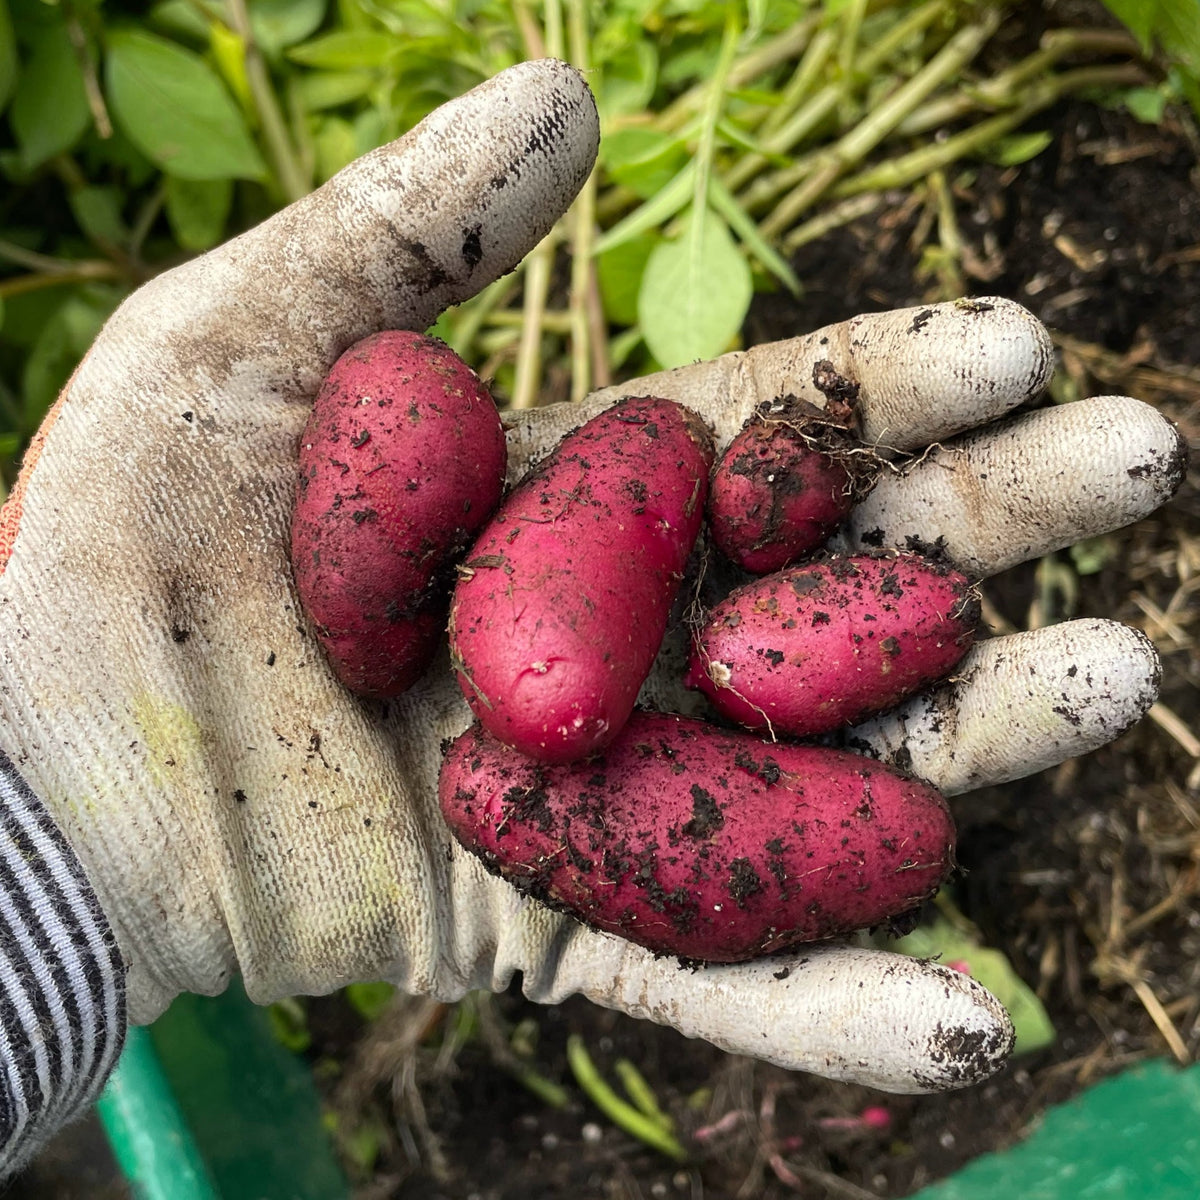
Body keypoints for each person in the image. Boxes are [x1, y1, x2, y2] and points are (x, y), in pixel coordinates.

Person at [0, 60, 1184, 1177]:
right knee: (577, 686)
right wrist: (69, 827)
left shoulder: (673, 593)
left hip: (601, 654)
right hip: (553, 667)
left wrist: (49, 807)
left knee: (638, 683)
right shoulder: (550, 659)